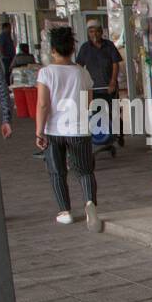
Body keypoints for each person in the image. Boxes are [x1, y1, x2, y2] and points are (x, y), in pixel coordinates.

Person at [36, 26, 101, 230]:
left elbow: (43, 104)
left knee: (57, 172)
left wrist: (39, 130)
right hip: (78, 129)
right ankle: (90, 202)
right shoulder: (82, 73)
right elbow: (89, 102)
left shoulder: (46, 73)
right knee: (85, 171)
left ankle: (65, 212)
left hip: (54, 131)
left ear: (52, 49)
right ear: (72, 49)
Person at [75, 19, 123, 146]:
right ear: (88, 33)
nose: (94, 34)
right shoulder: (85, 48)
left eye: (96, 31)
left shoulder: (109, 45)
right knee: (96, 113)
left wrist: (113, 81)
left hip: (109, 87)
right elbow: (79, 67)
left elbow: (115, 63)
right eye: (91, 32)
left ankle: (117, 134)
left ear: (101, 32)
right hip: (94, 89)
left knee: (113, 112)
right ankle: (102, 138)